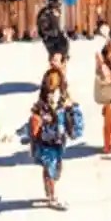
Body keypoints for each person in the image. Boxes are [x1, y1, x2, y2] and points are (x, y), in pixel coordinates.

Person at [29, 67, 75, 210]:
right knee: (49, 169)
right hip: (45, 142)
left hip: (58, 141)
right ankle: (52, 197)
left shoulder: (63, 99)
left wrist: (69, 107)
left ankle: (50, 192)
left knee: (56, 170)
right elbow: (34, 120)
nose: (51, 89)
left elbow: (69, 112)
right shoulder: (41, 103)